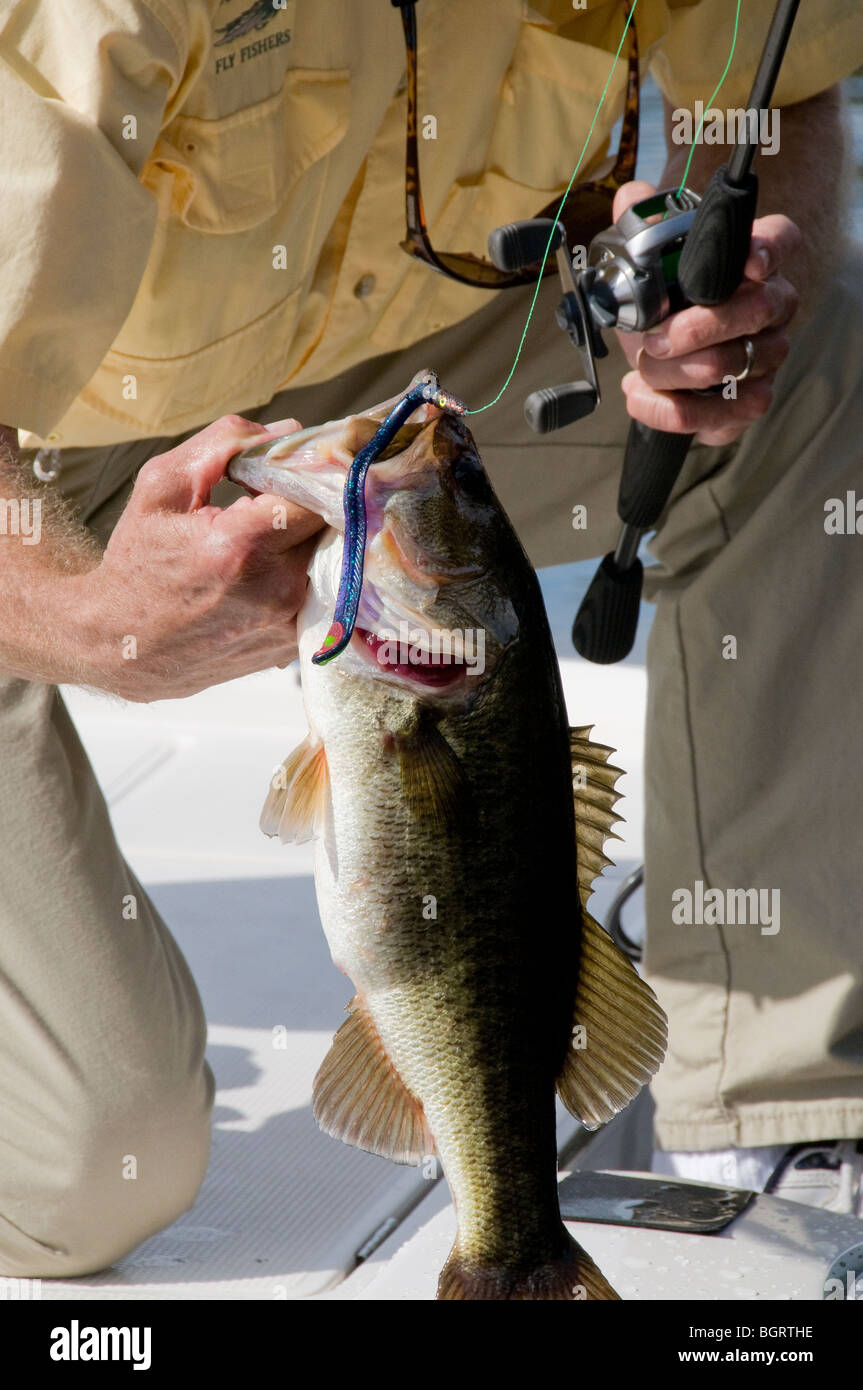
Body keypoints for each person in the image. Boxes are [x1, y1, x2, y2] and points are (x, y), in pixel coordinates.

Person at [0, 0, 861, 1279]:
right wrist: (98, 624)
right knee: (93, 1171)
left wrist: (706, 287)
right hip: (45, 451)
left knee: (812, 372)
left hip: (395, 411)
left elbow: (776, 89)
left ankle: (776, 1124)